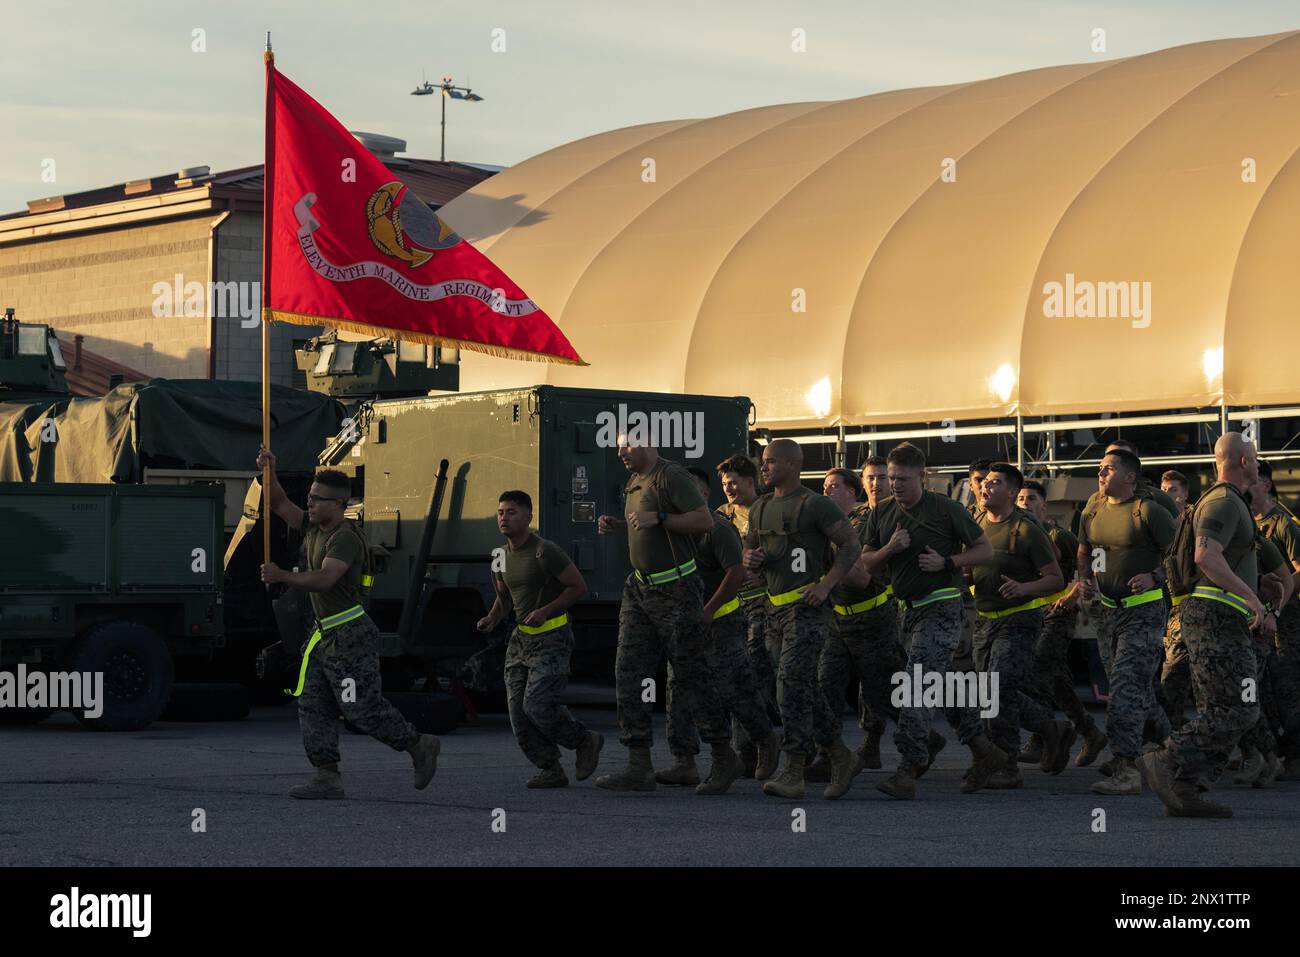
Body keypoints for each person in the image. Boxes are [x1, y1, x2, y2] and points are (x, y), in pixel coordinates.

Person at [256, 447, 440, 800]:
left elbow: (326, 579)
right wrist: (270, 471)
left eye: (318, 499)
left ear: (340, 504)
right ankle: (327, 776)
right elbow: (278, 504)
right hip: (323, 635)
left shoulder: (345, 537)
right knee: (313, 704)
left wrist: (281, 575)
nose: (310, 504)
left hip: (349, 635)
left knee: (361, 709)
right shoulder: (313, 527)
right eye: (309, 497)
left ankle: (418, 744)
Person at [1137, 434, 1274, 818]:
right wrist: (1250, 595)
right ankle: (1166, 760)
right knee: (1241, 709)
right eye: (1255, 457)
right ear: (1244, 461)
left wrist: (1257, 583)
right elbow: (1205, 556)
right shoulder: (1224, 500)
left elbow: (1220, 558)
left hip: (1217, 616)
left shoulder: (1227, 501)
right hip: (1217, 618)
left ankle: (1186, 788)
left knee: (1225, 706)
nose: (1259, 462)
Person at [595, 437, 739, 793]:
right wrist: (621, 526)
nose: (620, 453)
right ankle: (638, 764)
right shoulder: (634, 480)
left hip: (676, 588)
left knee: (691, 676)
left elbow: (703, 520)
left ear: (646, 442)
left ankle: (723, 756)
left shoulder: (670, 475)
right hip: (639, 588)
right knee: (629, 672)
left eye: (625, 446)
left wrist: (658, 517)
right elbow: (645, 526)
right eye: (617, 448)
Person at [861, 442, 1004, 799]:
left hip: (941, 607)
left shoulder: (945, 509)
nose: (894, 485)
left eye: (903, 479)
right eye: (891, 478)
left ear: (922, 477)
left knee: (916, 685)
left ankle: (908, 768)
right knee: (945, 687)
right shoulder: (881, 514)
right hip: (906, 611)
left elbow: (985, 551)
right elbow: (865, 564)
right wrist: (889, 549)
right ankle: (986, 752)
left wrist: (948, 563)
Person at [743, 439, 861, 800]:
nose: (764, 467)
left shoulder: (815, 505)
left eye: (771, 461)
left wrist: (826, 585)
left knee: (790, 682)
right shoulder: (760, 507)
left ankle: (794, 768)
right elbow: (750, 549)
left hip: (806, 609)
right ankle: (840, 755)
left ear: (794, 464)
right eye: (763, 462)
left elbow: (851, 545)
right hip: (772, 608)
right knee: (800, 688)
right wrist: (752, 560)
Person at [657, 468, 781, 790]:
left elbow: (736, 574)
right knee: (678, 690)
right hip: (686, 623)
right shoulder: (669, 531)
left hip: (722, 620)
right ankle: (684, 761)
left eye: (692, 492)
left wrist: (709, 610)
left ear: (704, 495)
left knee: (733, 688)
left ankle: (766, 739)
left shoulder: (717, 528)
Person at [477, 491, 603, 788]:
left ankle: (584, 741)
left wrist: (545, 611)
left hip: (552, 637)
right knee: (517, 713)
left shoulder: (545, 551)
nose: (504, 518)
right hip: (520, 641)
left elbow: (577, 587)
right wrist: (492, 618)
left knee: (537, 704)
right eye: (500, 512)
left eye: (511, 512)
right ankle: (550, 768)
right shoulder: (499, 556)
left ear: (528, 516)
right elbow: (504, 598)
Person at [1077, 447, 1176, 796]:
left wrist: (1155, 576)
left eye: (1108, 469)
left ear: (1130, 477)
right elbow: (1091, 549)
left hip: (1144, 612)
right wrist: (1087, 579)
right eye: (1100, 469)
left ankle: (1127, 769)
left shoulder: (1148, 510)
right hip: (1108, 612)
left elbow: (1180, 554)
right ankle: (1174, 752)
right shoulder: (1094, 509)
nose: (1101, 474)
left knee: (1123, 689)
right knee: (1139, 692)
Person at [969, 464, 1072, 787]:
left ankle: (1006, 765)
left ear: (1012, 493)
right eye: (985, 482)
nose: (986, 488)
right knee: (995, 693)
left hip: (1019, 621)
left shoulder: (1024, 528)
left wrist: (1024, 588)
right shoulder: (978, 523)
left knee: (997, 688)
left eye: (995, 484)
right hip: (985, 621)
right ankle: (1052, 728)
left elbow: (1056, 579)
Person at [808, 465, 903, 779]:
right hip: (838, 618)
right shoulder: (828, 524)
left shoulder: (869, 521)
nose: (828, 491)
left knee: (882, 692)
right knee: (826, 684)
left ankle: (923, 739)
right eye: (825, 486)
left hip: (873, 615)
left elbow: (860, 576)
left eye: (835, 486)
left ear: (852, 491)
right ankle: (828, 755)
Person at [1016, 480, 1109, 766]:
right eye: (1020, 498)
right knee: (1057, 682)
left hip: (1058, 614)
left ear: (1044, 505)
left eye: (1031, 498)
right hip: (1031, 614)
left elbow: (1092, 567)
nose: (1025, 503)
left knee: (1037, 672)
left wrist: (1073, 596)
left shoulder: (1061, 537)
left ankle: (1043, 737)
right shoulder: (1018, 534)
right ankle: (1090, 732)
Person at [716, 452, 778, 776]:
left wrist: (761, 568)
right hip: (734, 606)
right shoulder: (720, 516)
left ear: (751, 482)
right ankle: (746, 753)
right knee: (738, 679)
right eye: (725, 484)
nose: (728, 489)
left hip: (766, 606)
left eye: (734, 483)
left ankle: (782, 747)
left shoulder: (769, 511)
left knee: (759, 679)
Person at [1252, 463, 1300, 781]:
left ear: (1267, 484)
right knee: (1263, 685)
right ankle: (1272, 751)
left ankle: (1295, 755)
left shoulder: (1284, 522)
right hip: (1260, 614)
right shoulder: (1247, 521)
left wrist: (1278, 603)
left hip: (1287, 618)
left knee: (1287, 686)